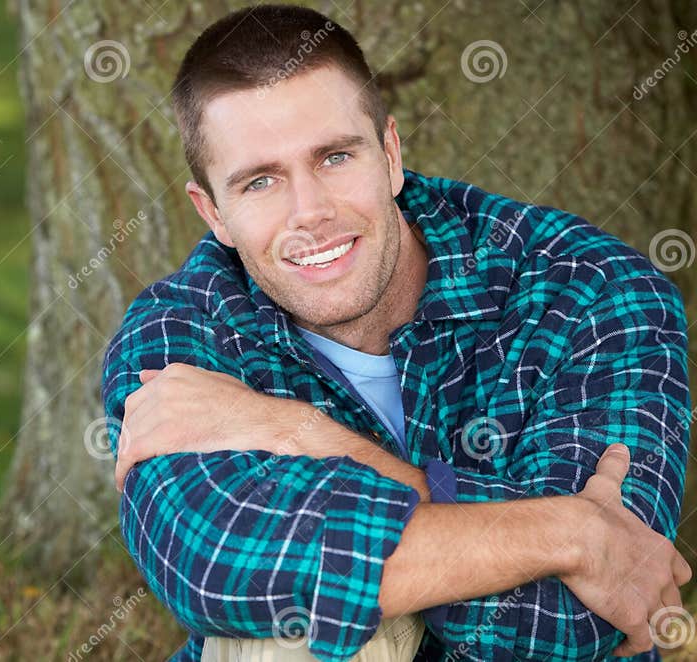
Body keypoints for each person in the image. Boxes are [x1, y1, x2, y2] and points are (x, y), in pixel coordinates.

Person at [100, 4, 693, 660]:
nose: (311, 214)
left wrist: (288, 432)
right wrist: (573, 532)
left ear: (389, 154)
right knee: (290, 630)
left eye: (333, 157)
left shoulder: (589, 288)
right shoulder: (178, 341)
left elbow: (578, 623)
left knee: (328, 585)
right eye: (261, 181)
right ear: (212, 211)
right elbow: (215, 567)